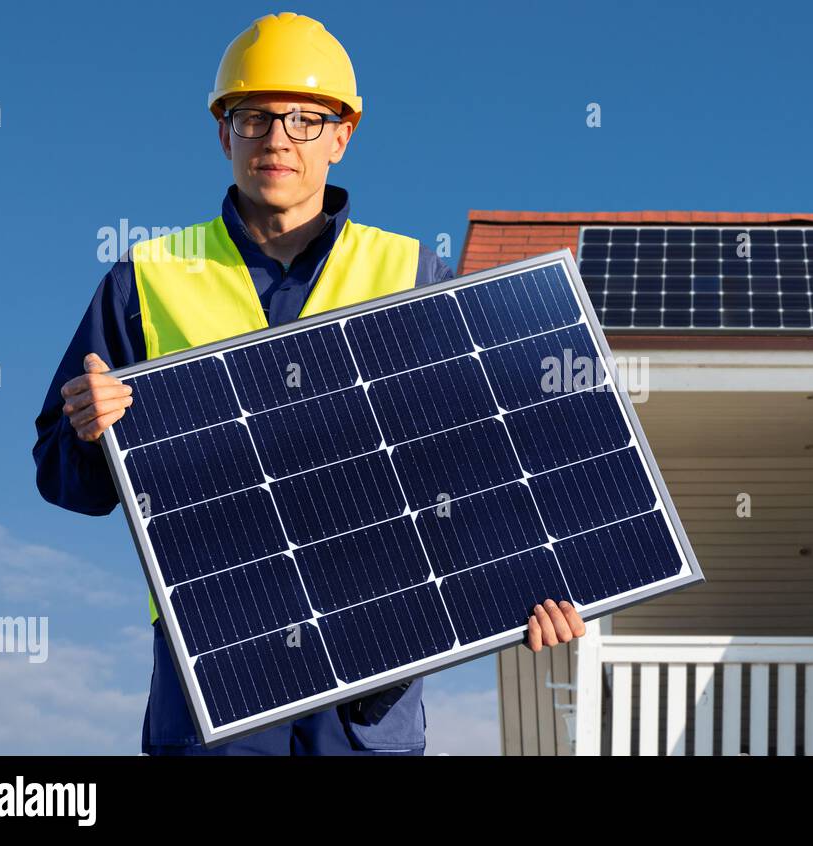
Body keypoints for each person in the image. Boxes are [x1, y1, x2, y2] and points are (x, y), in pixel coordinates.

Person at [32, 12, 584, 756]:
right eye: (254, 116)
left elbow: (482, 458)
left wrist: (533, 579)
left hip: (373, 677)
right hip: (215, 677)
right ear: (222, 132)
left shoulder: (414, 276)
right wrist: (86, 430)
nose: (278, 138)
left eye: (305, 117)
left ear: (341, 135)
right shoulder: (144, 282)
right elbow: (71, 484)